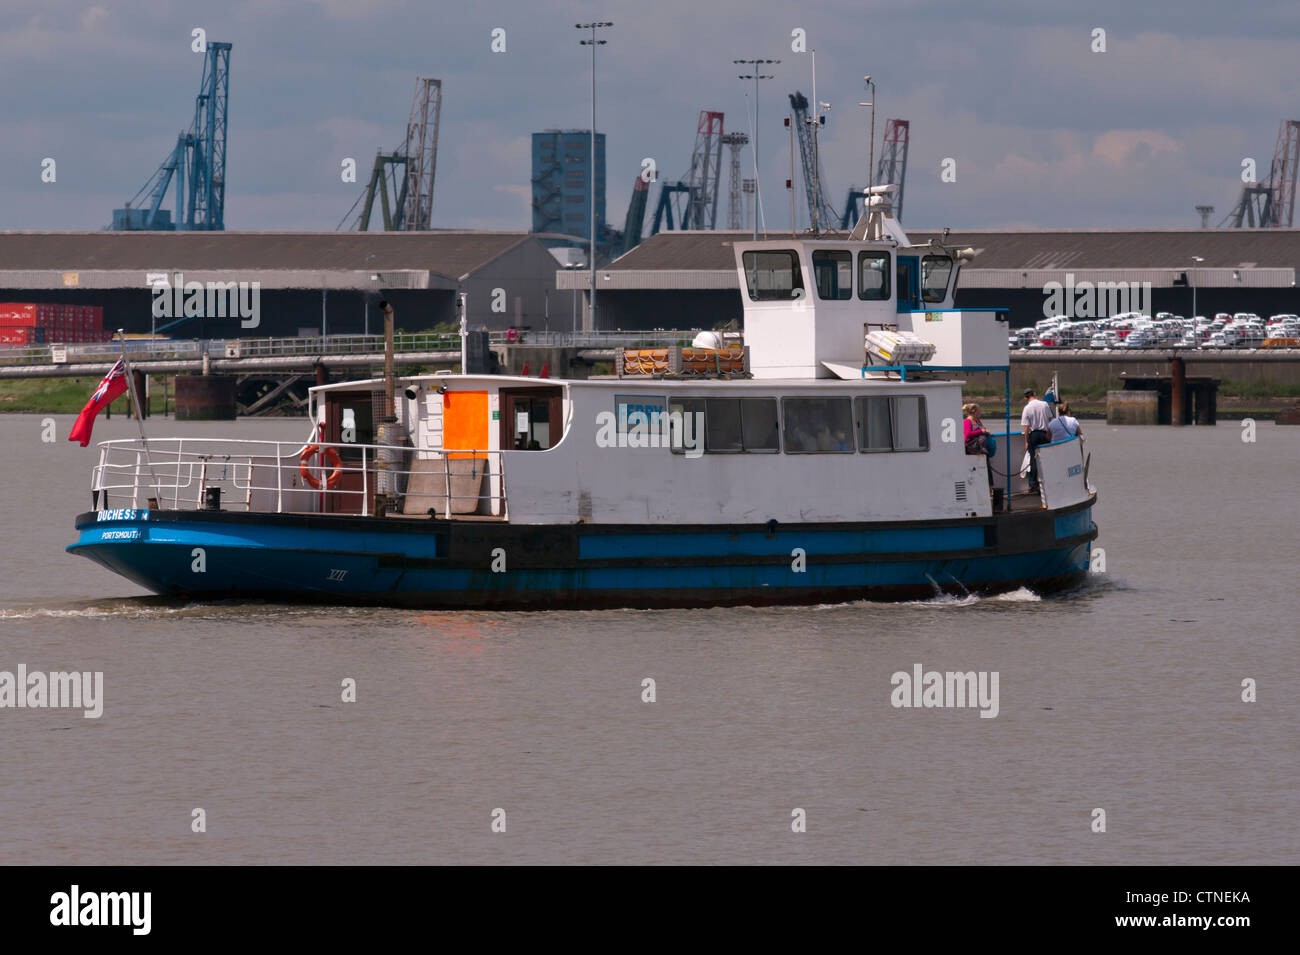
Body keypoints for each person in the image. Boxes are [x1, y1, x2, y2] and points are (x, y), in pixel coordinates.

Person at [1020, 388, 1053, 492]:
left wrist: (1026, 441)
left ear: (1026, 397)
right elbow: (1051, 420)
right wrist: (1050, 435)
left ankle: (1033, 484)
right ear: (1034, 394)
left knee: (1033, 460)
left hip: (1033, 435)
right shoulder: (1044, 404)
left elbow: (1026, 427)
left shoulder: (1027, 408)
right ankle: (1048, 481)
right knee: (1046, 459)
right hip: (1045, 434)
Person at [963, 403, 994, 486]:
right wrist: (981, 431)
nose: (980, 412)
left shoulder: (978, 420)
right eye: (978, 410)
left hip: (982, 449)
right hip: (973, 449)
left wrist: (986, 432)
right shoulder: (967, 421)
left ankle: (990, 488)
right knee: (980, 469)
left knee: (987, 468)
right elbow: (967, 435)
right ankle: (986, 488)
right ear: (974, 411)